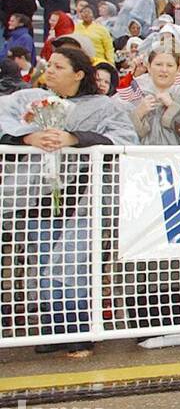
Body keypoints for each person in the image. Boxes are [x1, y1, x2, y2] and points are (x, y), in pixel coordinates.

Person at [0, 44, 139, 357]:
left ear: (79, 74)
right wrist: (27, 137)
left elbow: (123, 138)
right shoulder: (28, 100)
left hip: (81, 198)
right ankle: (52, 329)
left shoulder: (104, 106)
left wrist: (74, 139)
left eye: (59, 66)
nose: (50, 70)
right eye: (49, 64)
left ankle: (78, 332)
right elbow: (3, 123)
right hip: (36, 198)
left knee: (75, 265)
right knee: (44, 262)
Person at [129, 45, 180, 146]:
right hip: (141, 157)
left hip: (178, 158)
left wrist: (173, 107)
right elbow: (124, 134)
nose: (164, 70)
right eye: (158, 64)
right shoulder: (134, 95)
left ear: (178, 69)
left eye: (170, 65)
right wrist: (138, 114)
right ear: (149, 67)